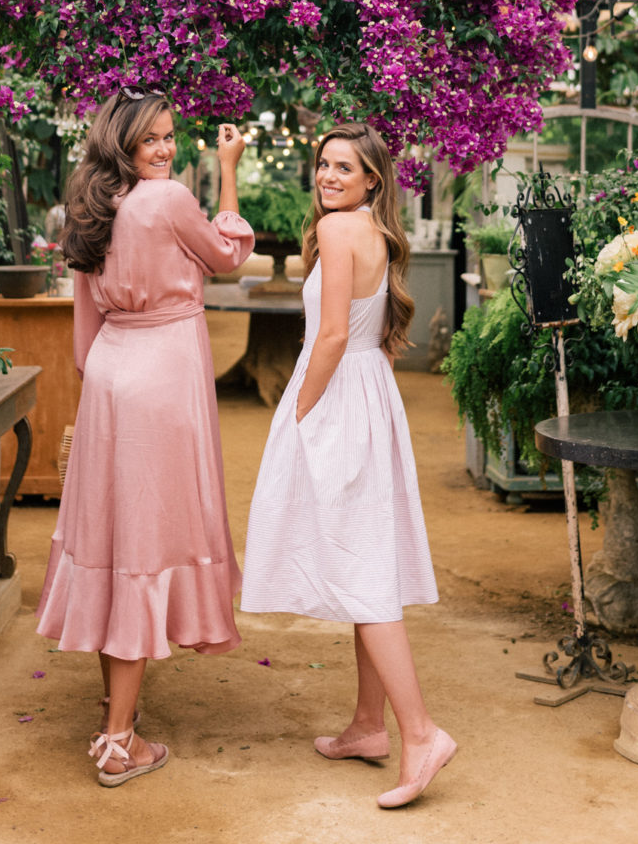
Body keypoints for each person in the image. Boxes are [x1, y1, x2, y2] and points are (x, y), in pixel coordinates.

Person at [37, 91, 254, 787]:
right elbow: (227, 255)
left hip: (110, 373)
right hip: (164, 374)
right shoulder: (167, 199)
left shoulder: (89, 208)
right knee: (143, 544)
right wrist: (228, 169)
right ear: (123, 143)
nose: (163, 148)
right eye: (150, 139)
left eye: (168, 136)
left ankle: (117, 710)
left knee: (112, 539)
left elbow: (83, 334)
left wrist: (107, 380)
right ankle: (118, 741)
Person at [241, 121, 456, 809]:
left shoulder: (337, 231)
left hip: (336, 395)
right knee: (367, 562)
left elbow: (332, 334)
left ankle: (420, 733)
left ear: (372, 179)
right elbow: (373, 334)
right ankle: (368, 726)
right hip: (367, 393)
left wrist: (300, 412)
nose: (329, 176)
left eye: (345, 167)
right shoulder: (375, 231)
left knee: (362, 574)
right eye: (324, 164)